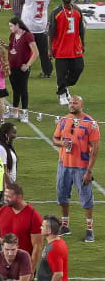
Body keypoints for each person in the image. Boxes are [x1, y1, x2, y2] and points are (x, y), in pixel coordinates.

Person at [53, 95, 98, 242]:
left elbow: (95, 149)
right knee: (62, 195)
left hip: (81, 167)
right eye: (70, 103)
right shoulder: (64, 120)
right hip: (64, 165)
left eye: (75, 103)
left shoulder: (90, 123)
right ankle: (65, 225)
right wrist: (62, 144)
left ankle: (89, 229)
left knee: (86, 199)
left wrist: (89, 171)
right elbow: (55, 139)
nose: (72, 105)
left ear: (81, 105)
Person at [50, 0, 85, 104]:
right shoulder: (56, 12)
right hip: (60, 48)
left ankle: (64, 86)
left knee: (79, 68)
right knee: (61, 72)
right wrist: (50, 48)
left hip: (75, 47)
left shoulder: (78, 10)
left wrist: (83, 43)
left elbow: (81, 29)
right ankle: (61, 94)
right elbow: (51, 32)